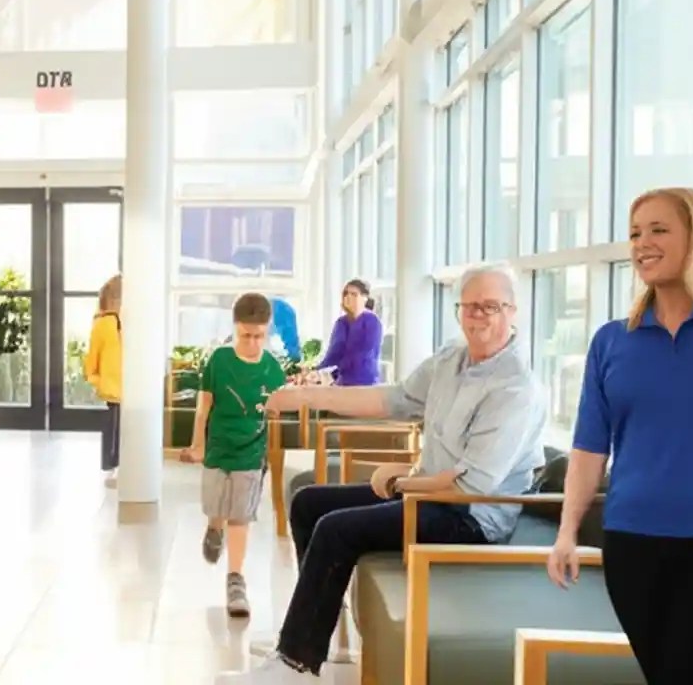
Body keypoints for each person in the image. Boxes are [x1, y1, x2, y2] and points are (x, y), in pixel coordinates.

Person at [256, 264, 546, 676]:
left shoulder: (516, 388)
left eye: (491, 307)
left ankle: (295, 664)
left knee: (336, 529)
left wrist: (399, 481)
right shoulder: (451, 358)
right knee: (308, 503)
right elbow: (393, 400)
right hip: (429, 495)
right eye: (470, 306)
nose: (478, 316)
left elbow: (469, 485)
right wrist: (307, 398)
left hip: (470, 516)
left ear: (512, 311)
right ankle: (318, 629)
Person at [548, 187, 693, 684]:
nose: (642, 243)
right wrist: (567, 532)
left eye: (659, 230)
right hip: (632, 542)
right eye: (635, 233)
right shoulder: (612, 340)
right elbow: (589, 448)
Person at [180, 293, 286, 619]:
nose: (252, 343)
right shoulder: (219, 361)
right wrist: (197, 445)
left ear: (267, 331)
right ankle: (214, 528)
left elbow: (277, 408)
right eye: (245, 335)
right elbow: (204, 407)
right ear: (235, 327)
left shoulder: (272, 369)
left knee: (240, 515)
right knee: (217, 509)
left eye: (259, 336)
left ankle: (236, 581)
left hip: (251, 454)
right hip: (218, 448)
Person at [84, 274, 122, 487]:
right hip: (116, 389)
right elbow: (92, 360)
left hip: (122, 389)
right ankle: (114, 468)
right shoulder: (104, 324)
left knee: (119, 430)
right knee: (116, 430)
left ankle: (117, 467)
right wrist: (98, 380)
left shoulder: (115, 324)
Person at [314, 278, 383, 386]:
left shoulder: (371, 321)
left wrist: (331, 374)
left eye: (354, 294)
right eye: (346, 294)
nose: (348, 297)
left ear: (365, 298)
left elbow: (360, 356)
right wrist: (315, 371)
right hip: (342, 382)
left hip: (365, 382)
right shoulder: (341, 323)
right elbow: (333, 355)